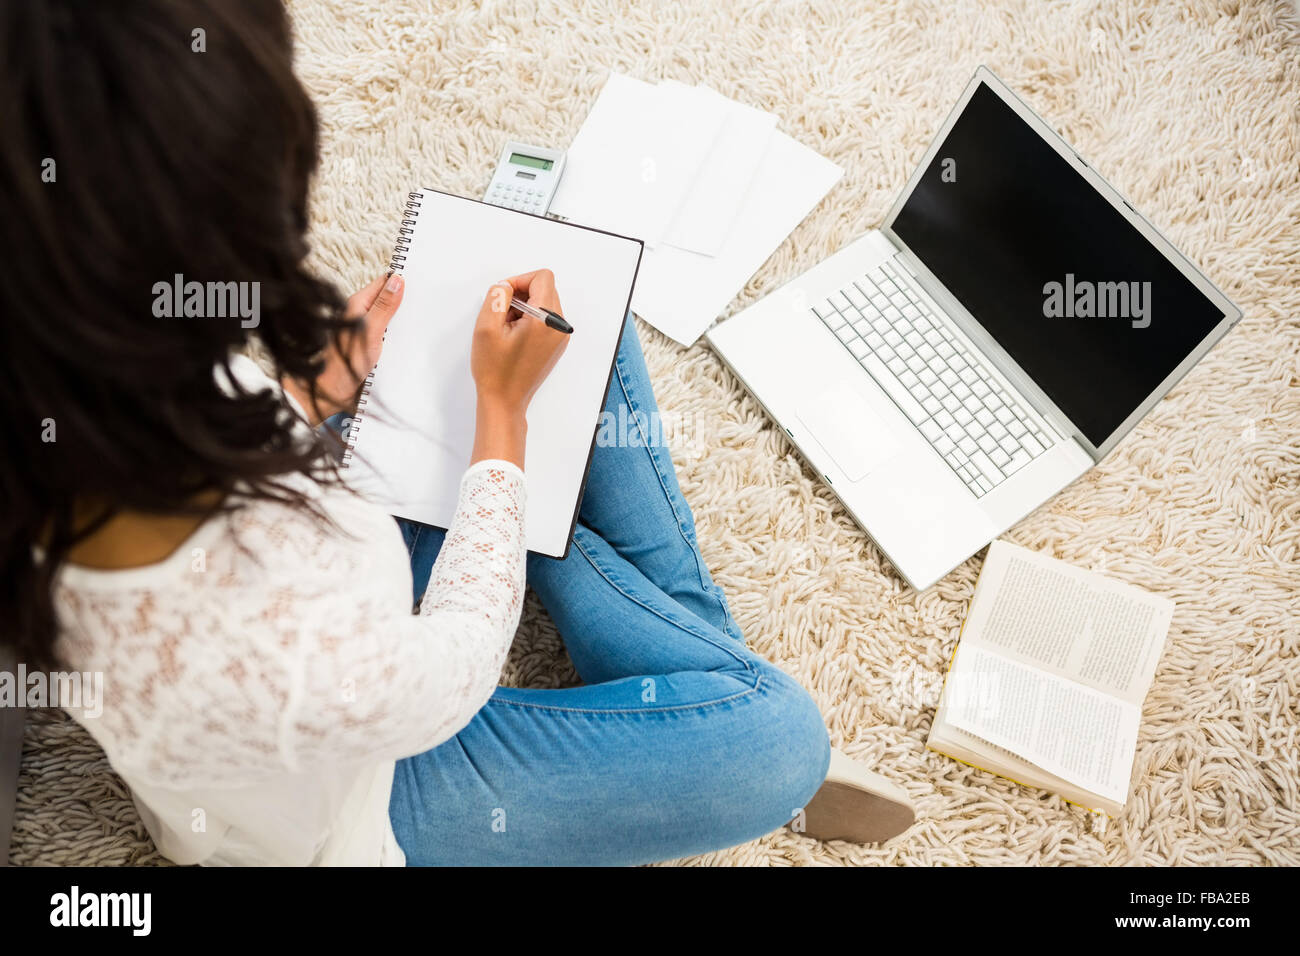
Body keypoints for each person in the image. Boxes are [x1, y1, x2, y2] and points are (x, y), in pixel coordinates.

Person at [0, 0, 913, 865]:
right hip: (366, 806)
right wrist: (504, 432)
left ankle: (665, 685)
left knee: (568, 298)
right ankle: (697, 703)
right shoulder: (282, 606)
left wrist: (306, 397)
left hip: (314, 640)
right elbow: (453, 668)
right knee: (779, 739)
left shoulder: (60, 355)